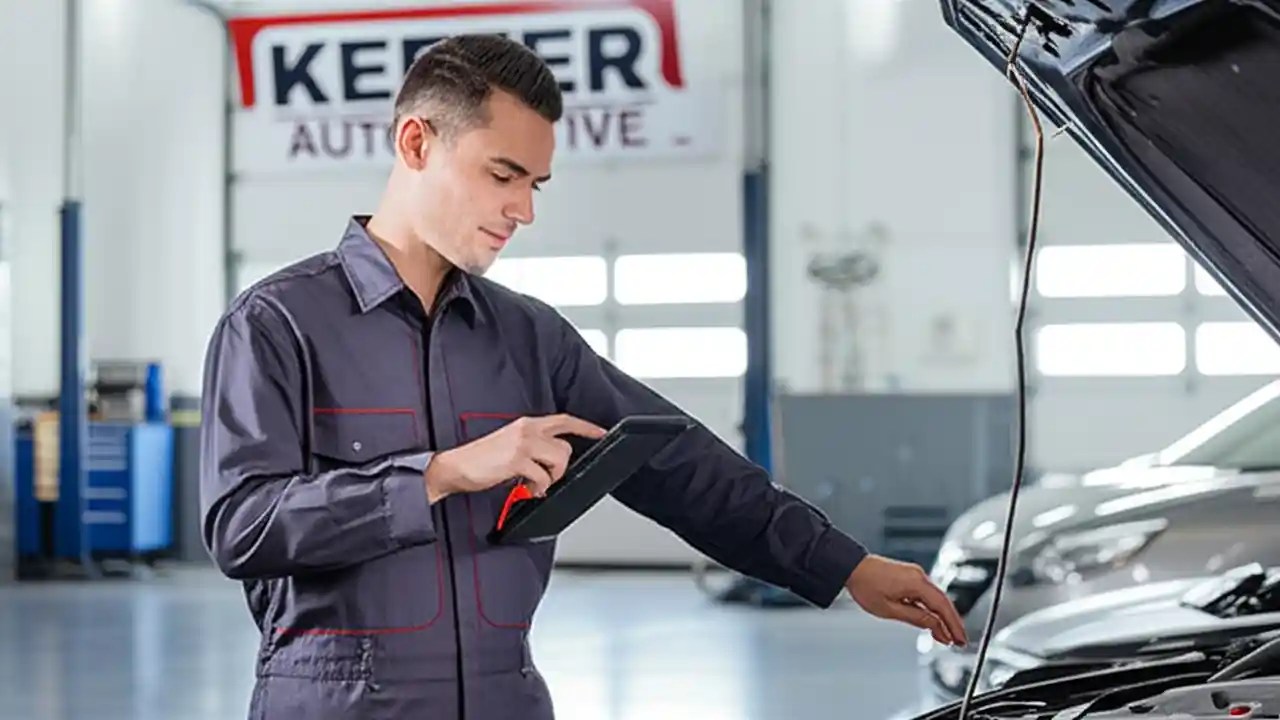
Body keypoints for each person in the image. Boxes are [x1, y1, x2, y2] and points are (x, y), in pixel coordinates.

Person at [199, 33, 967, 720]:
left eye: (534, 183)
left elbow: (682, 468)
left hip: (508, 696)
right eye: (503, 174)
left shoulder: (529, 338)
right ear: (415, 142)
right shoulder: (278, 324)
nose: (522, 210)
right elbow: (243, 525)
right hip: (335, 701)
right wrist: (437, 474)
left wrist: (845, 565)